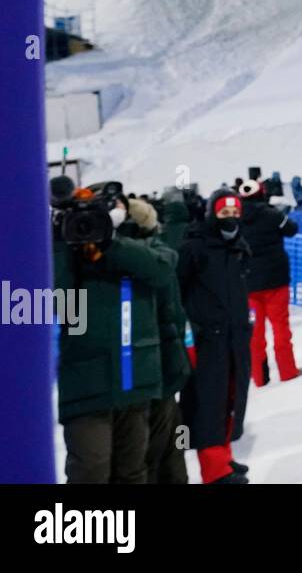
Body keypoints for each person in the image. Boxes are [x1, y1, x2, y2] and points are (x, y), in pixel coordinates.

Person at [51, 182, 174, 483]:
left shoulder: (143, 243)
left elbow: (161, 269)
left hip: (136, 380)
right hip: (86, 384)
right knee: (90, 471)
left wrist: (110, 243)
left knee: (133, 471)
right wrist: (60, 239)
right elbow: (59, 302)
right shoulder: (68, 252)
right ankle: (88, 532)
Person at [177, 191, 253, 484]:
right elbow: (177, 291)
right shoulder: (194, 247)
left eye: (235, 214)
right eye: (224, 214)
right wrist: (190, 330)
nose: (230, 219)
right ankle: (214, 470)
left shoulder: (237, 246)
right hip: (206, 341)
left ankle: (224, 455)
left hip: (234, 338)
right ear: (212, 214)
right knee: (209, 402)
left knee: (231, 397)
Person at [120, 196, 191, 484]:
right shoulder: (161, 257)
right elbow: (175, 314)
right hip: (163, 365)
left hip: (148, 369)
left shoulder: (147, 261)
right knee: (170, 443)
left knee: (149, 448)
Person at [238, 179, 302, 387]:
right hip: (276, 281)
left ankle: (259, 377)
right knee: (281, 328)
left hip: (249, 285)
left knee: (254, 334)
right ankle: (287, 371)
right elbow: (292, 229)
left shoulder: (236, 220)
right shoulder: (271, 214)